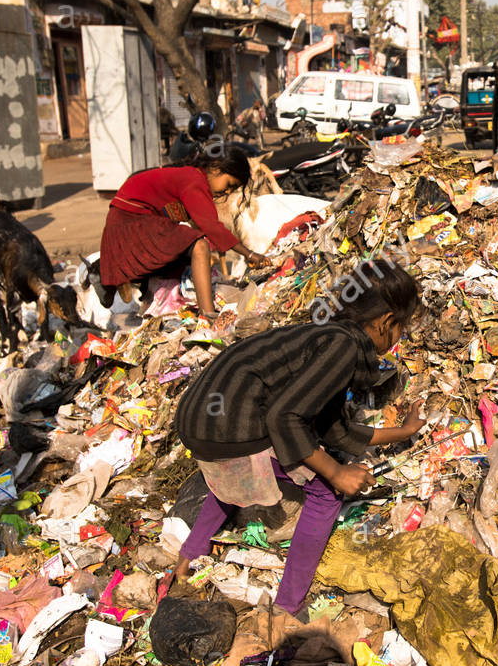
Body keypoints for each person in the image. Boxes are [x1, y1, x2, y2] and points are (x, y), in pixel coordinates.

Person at [172, 260, 425, 615]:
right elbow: (284, 417)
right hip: (231, 426)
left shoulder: (324, 336)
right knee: (325, 494)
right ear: (385, 322)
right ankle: (288, 607)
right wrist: (337, 474)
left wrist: (403, 431)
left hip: (200, 422)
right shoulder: (343, 348)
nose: (399, 338)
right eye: (401, 329)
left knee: (239, 474)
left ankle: (184, 564)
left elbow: (332, 428)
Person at [97, 149, 268, 317]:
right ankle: (208, 314)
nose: (228, 192)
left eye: (233, 189)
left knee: (183, 256)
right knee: (199, 246)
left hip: (123, 224)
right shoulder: (194, 180)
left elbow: (200, 224)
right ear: (216, 167)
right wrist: (249, 254)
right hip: (131, 223)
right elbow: (211, 226)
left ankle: (109, 274)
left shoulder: (190, 177)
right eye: (229, 184)